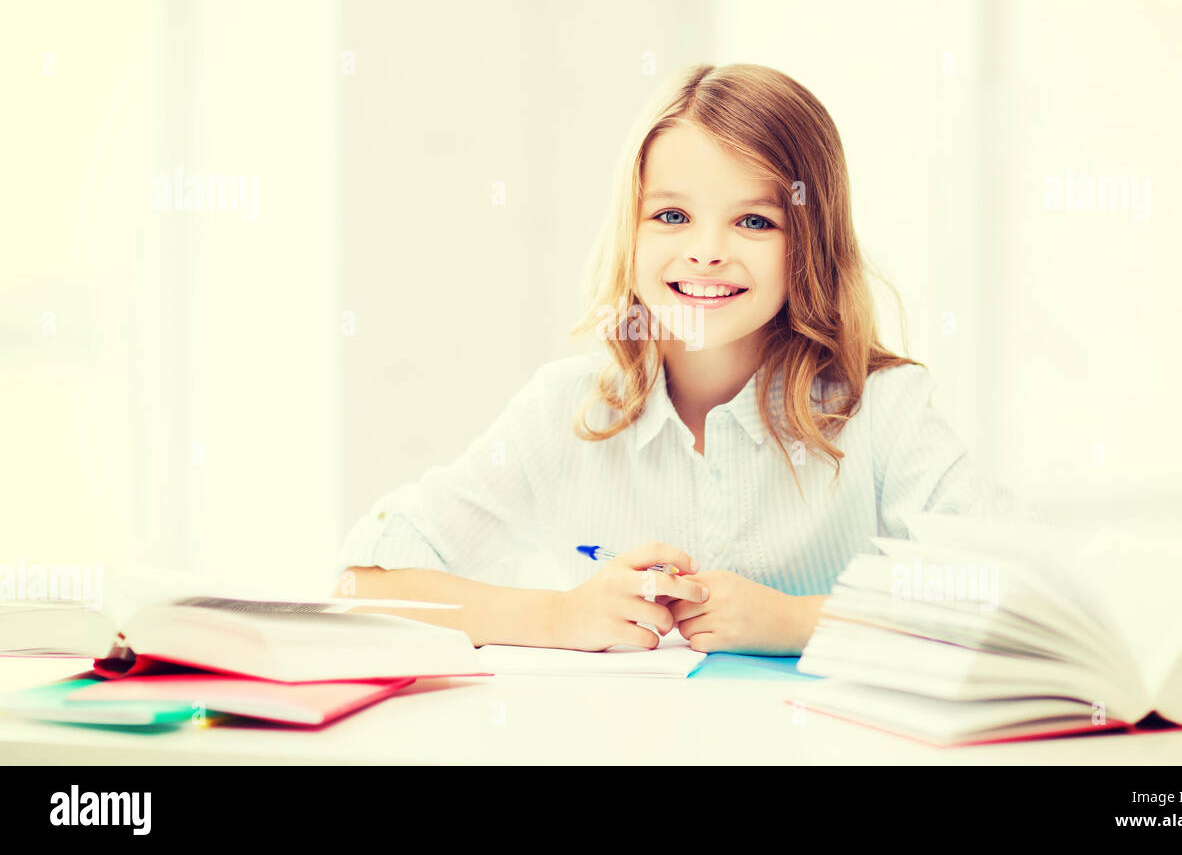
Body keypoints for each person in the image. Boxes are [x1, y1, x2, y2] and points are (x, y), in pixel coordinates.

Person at [334, 63, 1017, 656]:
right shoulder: (566, 412)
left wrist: (796, 620)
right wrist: (559, 614)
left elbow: (1011, 586)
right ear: (629, 229)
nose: (706, 250)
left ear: (808, 243)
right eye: (671, 216)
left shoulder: (881, 410)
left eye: (754, 221)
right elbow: (365, 582)